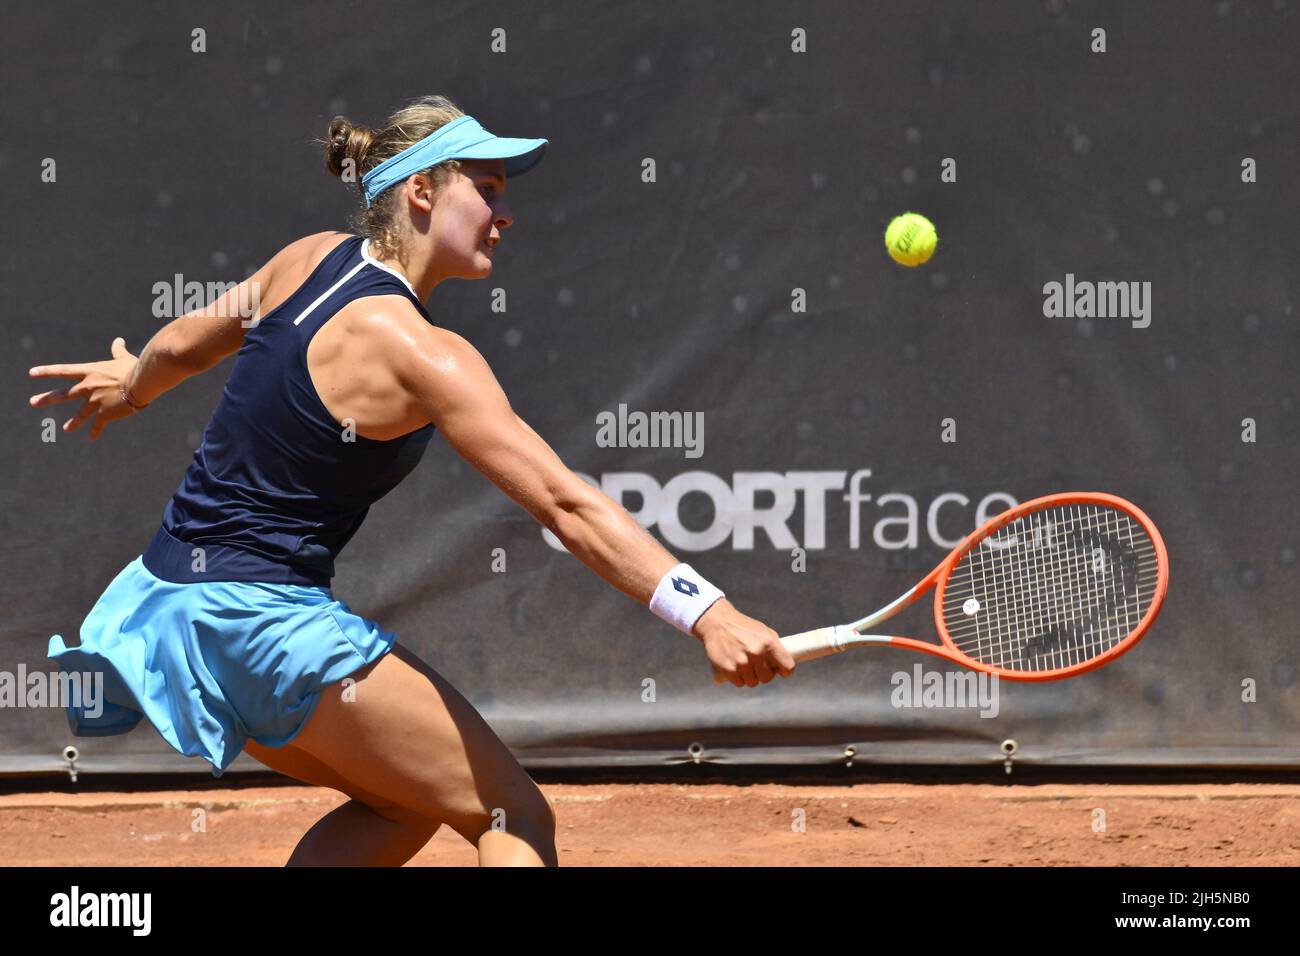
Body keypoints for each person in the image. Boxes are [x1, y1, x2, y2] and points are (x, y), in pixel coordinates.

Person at [29, 94, 795, 867]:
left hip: (166, 605)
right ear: (421, 191)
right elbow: (565, 504)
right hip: (262, 626)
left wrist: (132, 386)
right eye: (486, 189)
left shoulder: (309, 258)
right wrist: (708, 613)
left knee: (405, 802)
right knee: (513, 816)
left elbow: (184, 346)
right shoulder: (427, 354)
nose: (506, 214)